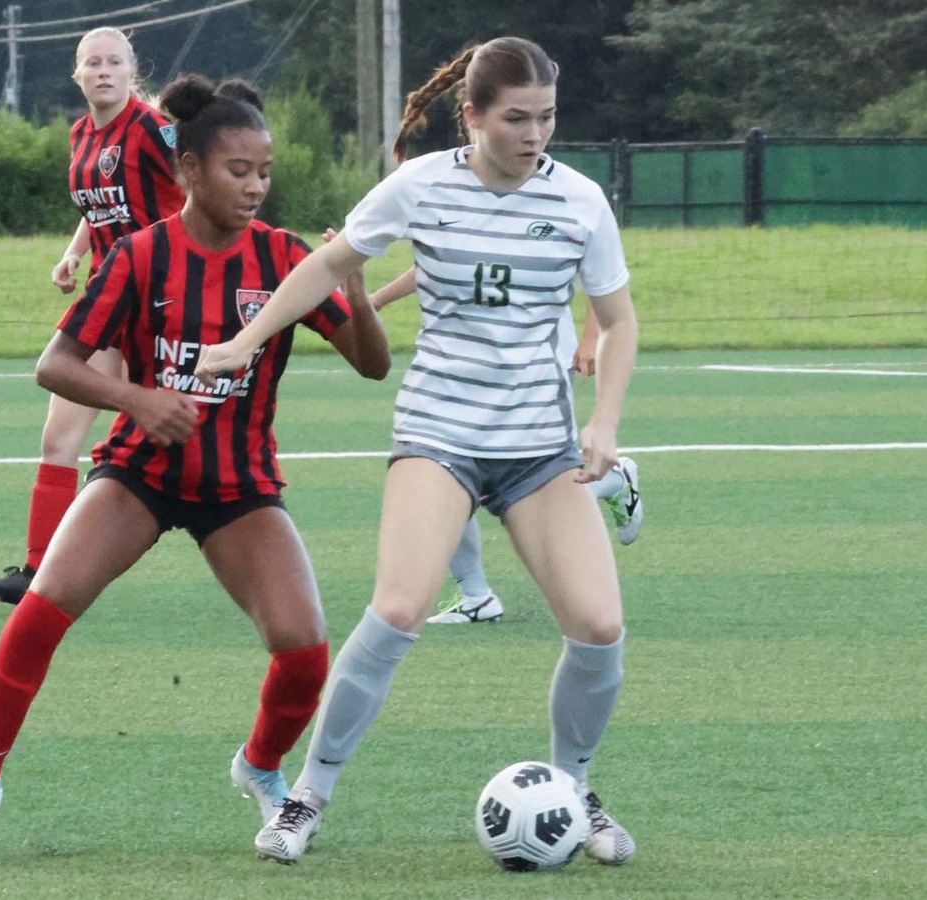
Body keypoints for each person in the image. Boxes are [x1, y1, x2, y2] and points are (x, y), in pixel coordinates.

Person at [197, 36, 638, 865]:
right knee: (398, 608)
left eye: (545, 118)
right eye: (515, 119)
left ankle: (573, 789)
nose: (534, 134)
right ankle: (306, 798)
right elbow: (329, 264)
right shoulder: (421, 184)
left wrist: (603, 422)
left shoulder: (580, 202)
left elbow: (618, 323)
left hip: (540, 450)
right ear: (471, 117)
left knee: (600, 625)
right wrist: (245, 339)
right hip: (439, 434)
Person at [0, 74, 392, 848]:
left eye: (264, 172)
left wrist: (356, 279)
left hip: (239, 488)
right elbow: (56, 363)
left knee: (305, 650)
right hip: (138, 477)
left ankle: (259, 764)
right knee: (40, 612)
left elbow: (373, 366)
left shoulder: (284, 259)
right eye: (238, 171)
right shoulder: (141, 257)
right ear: (188, 171)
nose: (255, 187)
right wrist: (141, 401)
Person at [0, 27, 186, 606]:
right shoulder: (81, 133)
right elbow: (100, 202)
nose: (103, 70)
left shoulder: (151, 127)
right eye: (92, 63)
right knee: (59, 436)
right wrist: (74, 252)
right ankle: (39, 575)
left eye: (114, 61)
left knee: (174, 448)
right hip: (106, 297)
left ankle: (244, 536)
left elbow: (197, 180)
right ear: (77, 74)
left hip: (158, 302)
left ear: (131, 70)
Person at [368, 272, 643, 624]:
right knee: (444, 469)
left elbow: (599, 276)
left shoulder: (560, 216)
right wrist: (376, 299)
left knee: (538, 489)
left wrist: (590, 339)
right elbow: (432, 264)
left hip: (541, 366)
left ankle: (614, 482)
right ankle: (476, 595)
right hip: (470, 368)